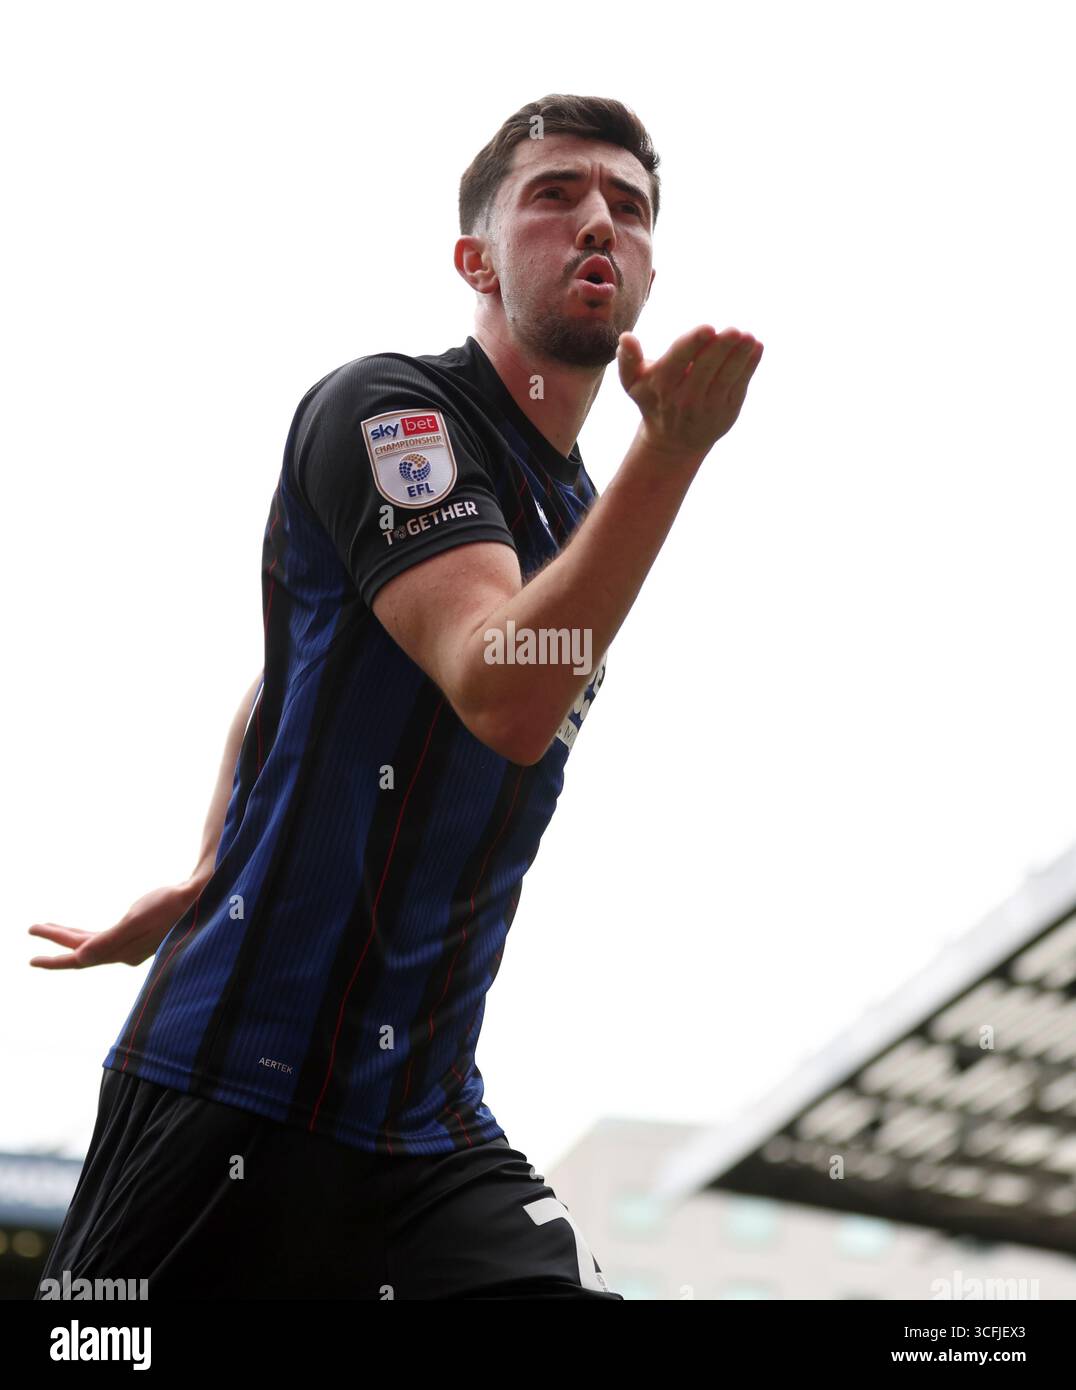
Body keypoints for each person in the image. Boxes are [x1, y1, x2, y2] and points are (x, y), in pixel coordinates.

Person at [30, 93, 763, 1300]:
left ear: (645, 273)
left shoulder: (580, 515)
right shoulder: (393, 412)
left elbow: (282, 673)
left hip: (424, 1125)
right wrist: (672, 450)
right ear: (475, 259)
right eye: (556, 194)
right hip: (238, 1083)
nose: (599, 222)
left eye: (628, 209)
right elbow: (498, 690)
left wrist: (210, 859)